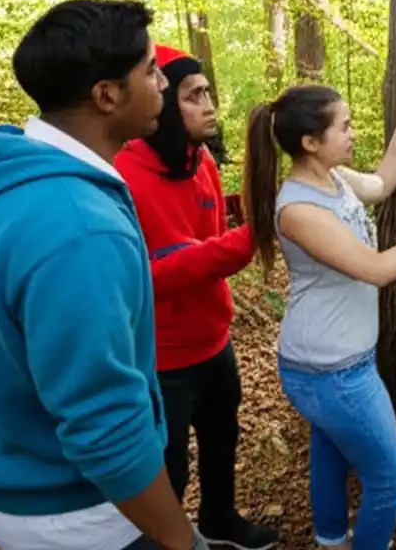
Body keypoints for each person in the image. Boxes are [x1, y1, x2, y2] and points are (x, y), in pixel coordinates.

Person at [0, 0, 209, 550]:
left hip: (5, 483)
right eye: (150, 70)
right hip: (77, 511)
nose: (161, 84)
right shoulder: (80, 226)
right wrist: (181, 540)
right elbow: (105, 425)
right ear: (107, 95)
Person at [243, 86, 396, 550]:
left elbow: (382, 183)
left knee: (329, 454)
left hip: (335, 363)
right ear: (310, 142)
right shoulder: (299, 210)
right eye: (343, 127)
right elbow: (376, 268)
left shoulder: (334, 177)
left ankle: (330, 540)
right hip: (330, 371)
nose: (352, 133)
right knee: (390, 483)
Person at [114, 45, 279, 550]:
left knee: (221, 436)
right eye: (193, 95)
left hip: (212, 336)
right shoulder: (125, 172)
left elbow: (206, 221)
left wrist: (255, 206)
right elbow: (154, 273)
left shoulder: (198, 156)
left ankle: (219, 518)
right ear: (161, 100)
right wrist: (251, 237)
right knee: (169, 463)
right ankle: (167, 539)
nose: (209, 105)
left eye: (208, 92)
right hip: (161, 354)